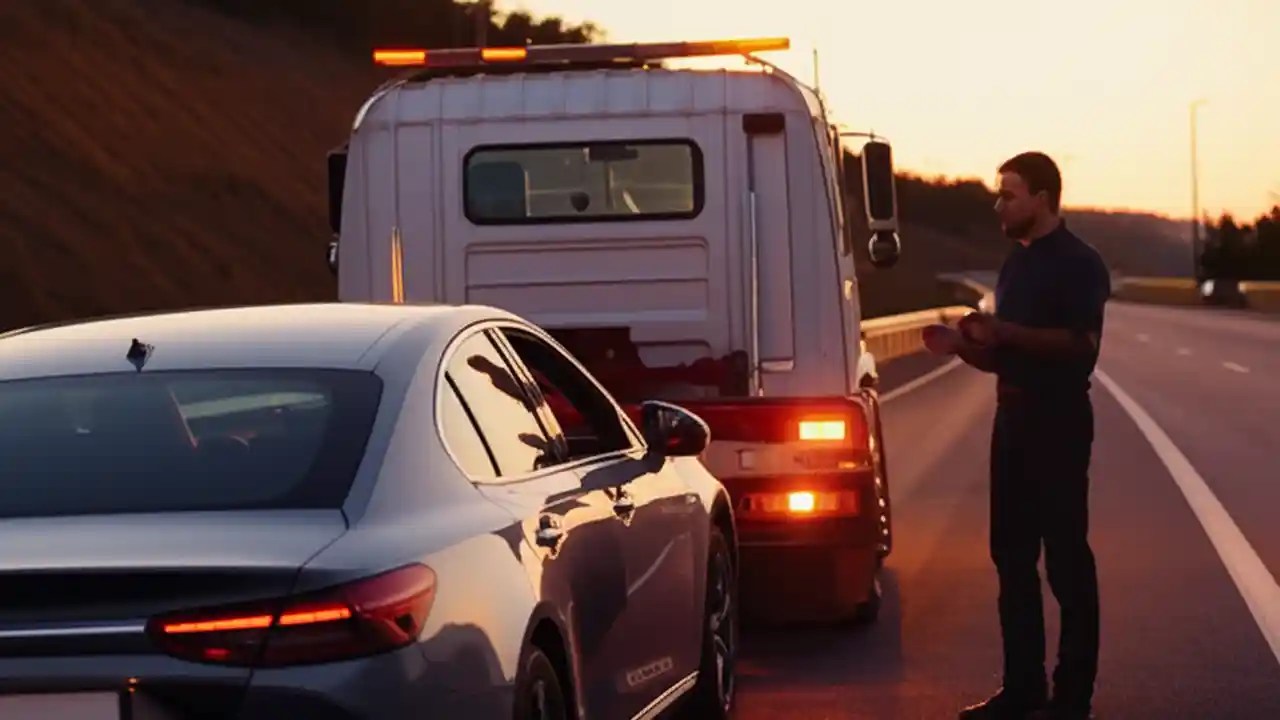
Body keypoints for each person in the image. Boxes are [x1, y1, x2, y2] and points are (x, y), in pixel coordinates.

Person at [923, 152, 1110, 720]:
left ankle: (1072, 698)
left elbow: (1082, 347)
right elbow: (1004, 358)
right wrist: (965, 349)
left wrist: (1003, 330)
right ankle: (1023, 689)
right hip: (1012, 423)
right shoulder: (1013, 266)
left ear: (1043, 198)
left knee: (1066, 562)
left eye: (1008, 193)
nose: (998, 203)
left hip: (1059, 422)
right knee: (1011, 558)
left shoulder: (1081, 263)